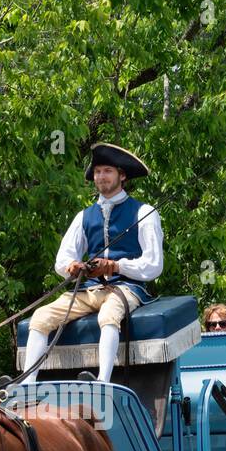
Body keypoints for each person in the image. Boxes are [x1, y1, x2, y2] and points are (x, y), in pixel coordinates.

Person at [20, 143, 164, 383]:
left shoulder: (144, 212)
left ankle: (103, 381)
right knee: (40, 317)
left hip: (126, 288)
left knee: (108, 316)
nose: (101, 176)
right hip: (88, 290)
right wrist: (73, 267)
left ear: (122, 175)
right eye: (97, 172)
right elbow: (62, 259)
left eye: (107, 171)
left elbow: (153, 265)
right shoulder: (84, 216)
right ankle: (27, 381)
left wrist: (116, 266)